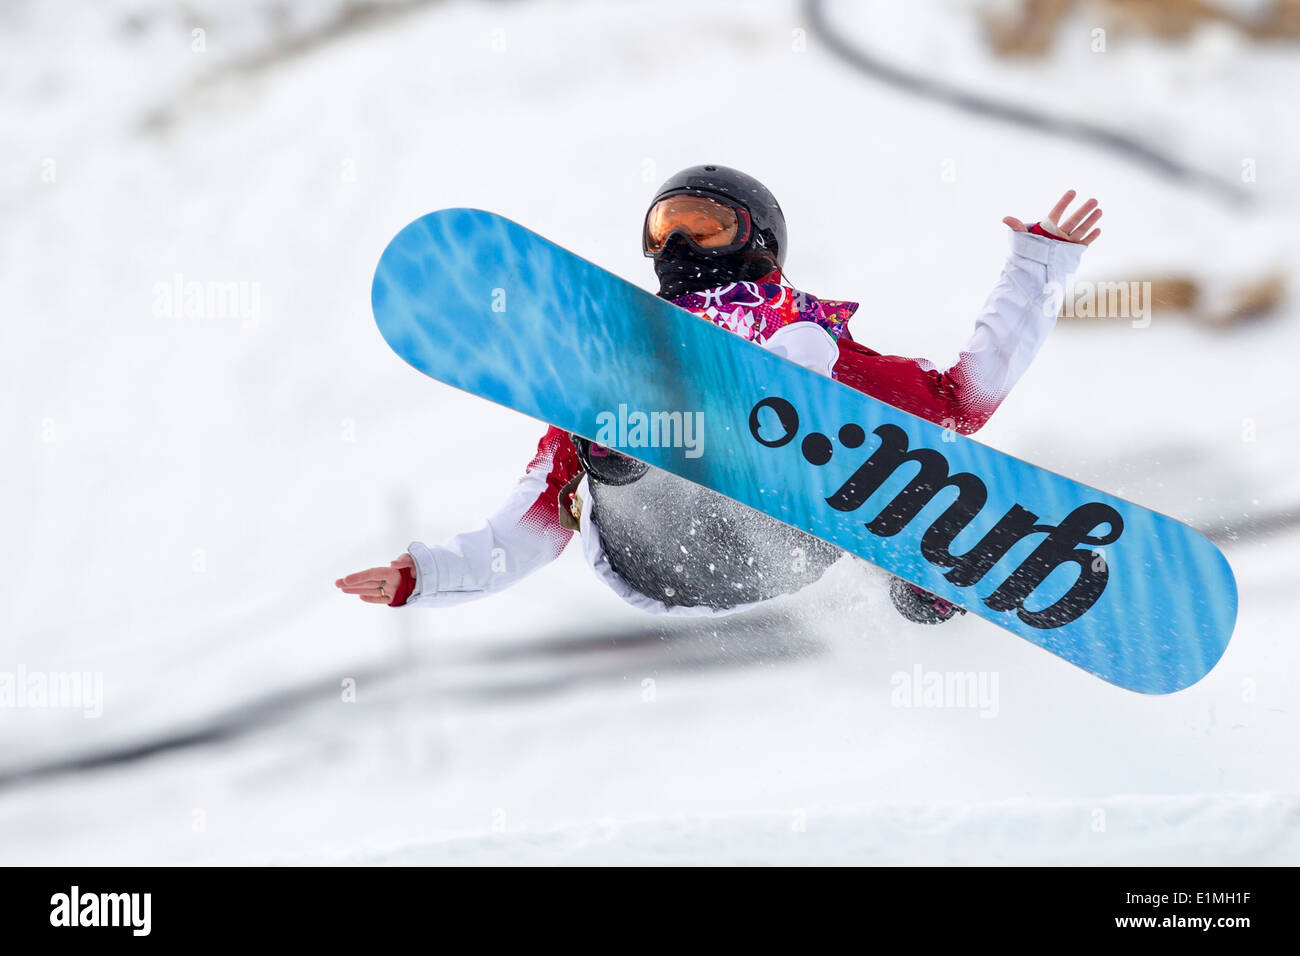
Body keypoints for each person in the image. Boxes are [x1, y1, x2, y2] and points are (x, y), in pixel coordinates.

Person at [337, 165, 1101, 625]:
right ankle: (640, 444)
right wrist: (426, 575)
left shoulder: (802, 331)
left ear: (755, 238)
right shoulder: (618, 352)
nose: (674, 247)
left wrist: (1037, 268)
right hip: (657, 542)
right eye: (662, 228)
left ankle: (916, 556)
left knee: (806, 351)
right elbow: (527, 526)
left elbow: (959, 400)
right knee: (624, 383)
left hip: (781, 540)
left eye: (701, 226)